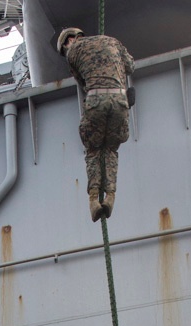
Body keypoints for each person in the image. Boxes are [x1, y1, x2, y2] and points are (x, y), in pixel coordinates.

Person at [57, 26, 135, 222]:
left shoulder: (73, 53)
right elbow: (130, 66)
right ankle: (110, 196)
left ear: (68, 42)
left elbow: (83, 82)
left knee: (93, 149)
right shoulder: (112, 41)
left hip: (96, 99)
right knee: (111, 149)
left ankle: (93, 199)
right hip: (120, 101)